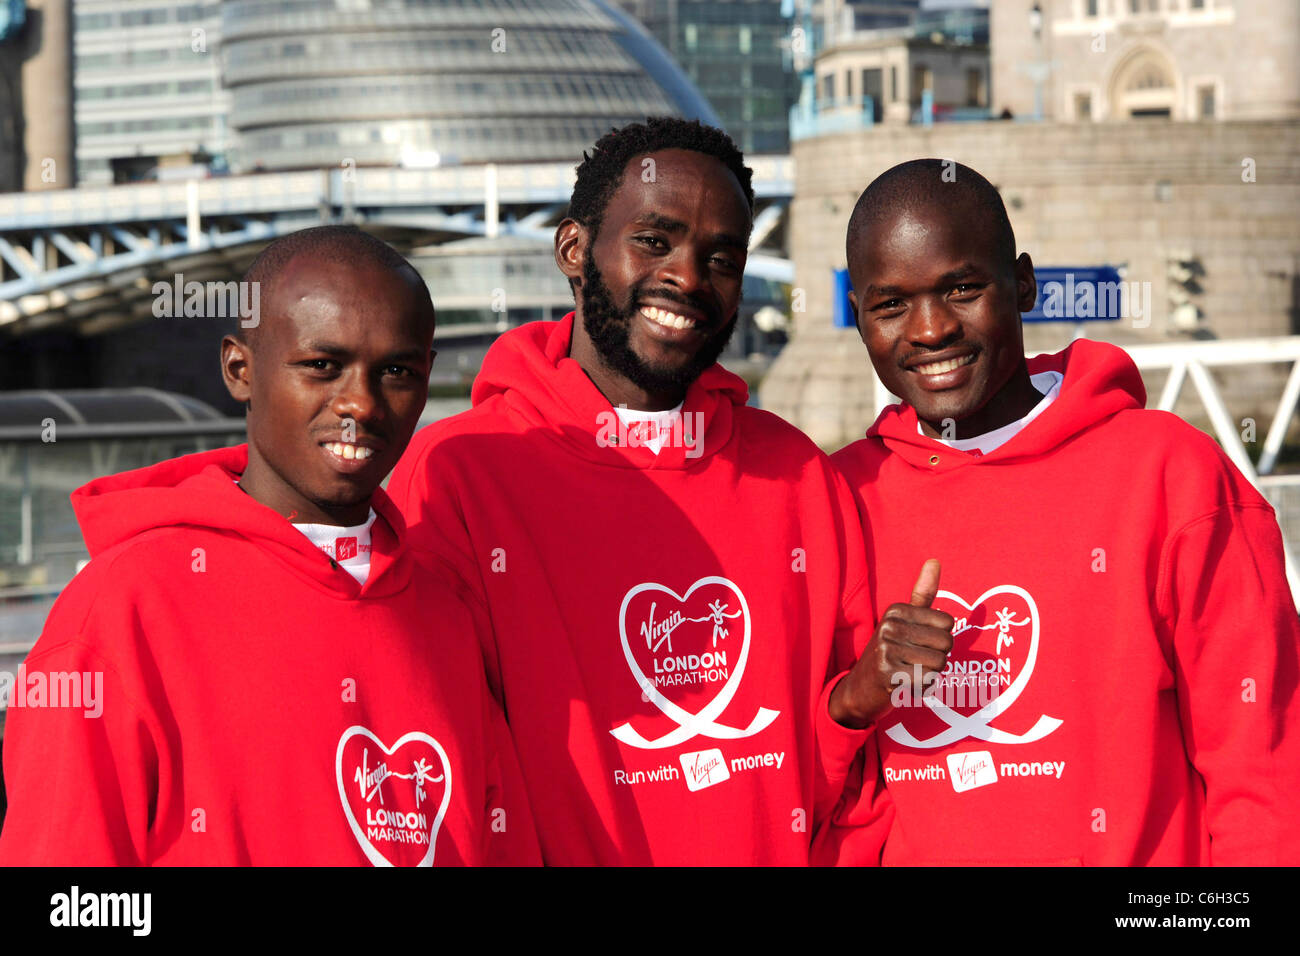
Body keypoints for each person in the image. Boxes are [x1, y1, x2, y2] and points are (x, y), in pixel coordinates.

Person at [387, 118, 903, 865]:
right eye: (654, 242)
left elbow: (853, 763)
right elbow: (430, 758)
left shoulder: (797, 475)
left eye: (721, 258)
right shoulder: (457, 474)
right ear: (573, 249)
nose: (689, 279)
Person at [0, 226, 539, 866]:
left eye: (397, 370)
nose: (360, 404)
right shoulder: (122, 611)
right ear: (240, 370)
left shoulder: (447, 613)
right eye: (322, 366)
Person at [823, 158, 1300, 865]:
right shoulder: (840, 500)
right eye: (891, 305)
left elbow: (1263, 769)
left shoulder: (1171, 474)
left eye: (961, 288)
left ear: (1022, 282)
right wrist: (851, 702)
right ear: (859, 315)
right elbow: (794, 780)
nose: (929, 330)